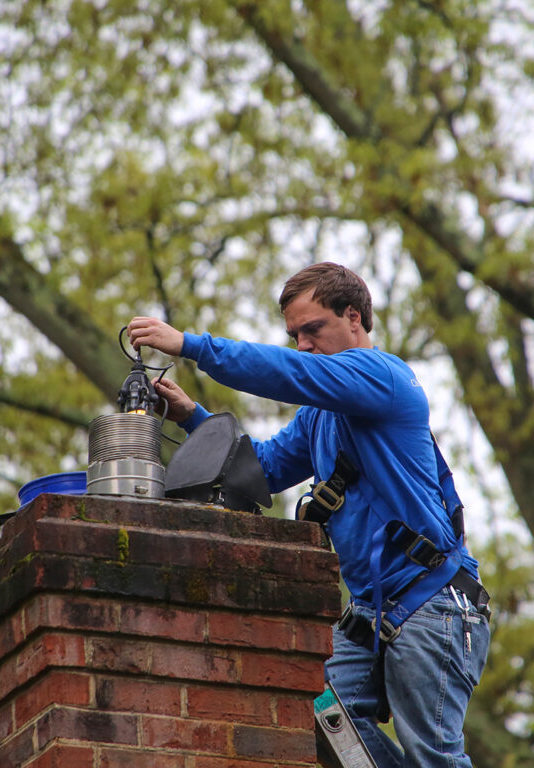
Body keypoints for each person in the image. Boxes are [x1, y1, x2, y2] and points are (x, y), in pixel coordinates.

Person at [127, 262, 490, 767]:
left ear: (354, 318)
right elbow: (262, 470)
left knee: (434, 755)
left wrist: (191, 345)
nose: (303, 344)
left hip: (432, 603)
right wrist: (195, 419)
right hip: (371, 613)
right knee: (316, 715)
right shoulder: (320, 416)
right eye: (293, 334)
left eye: (312, 329)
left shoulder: (382, 376)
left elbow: (289, 373)